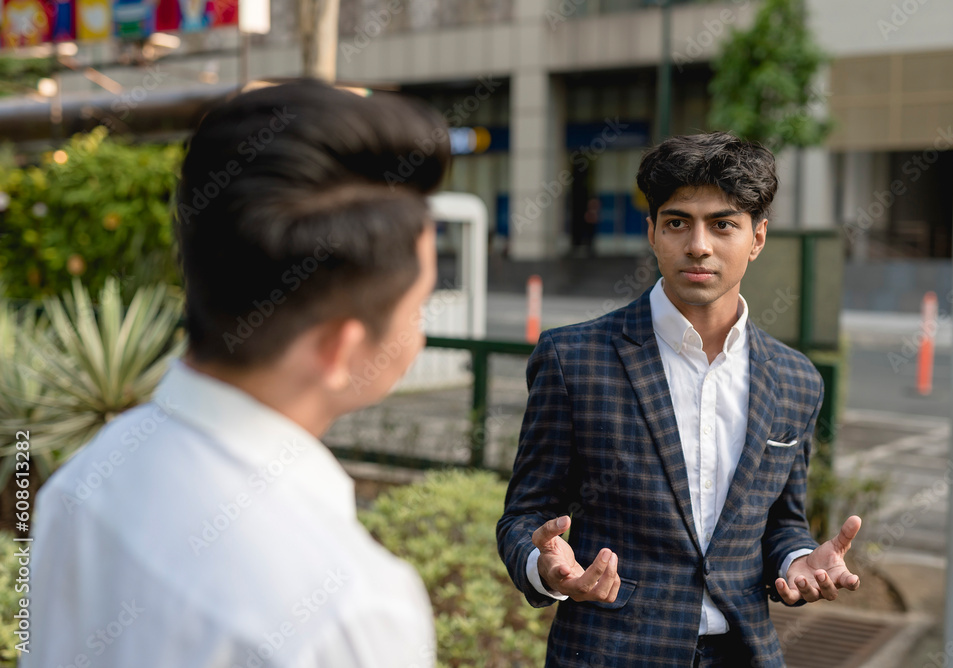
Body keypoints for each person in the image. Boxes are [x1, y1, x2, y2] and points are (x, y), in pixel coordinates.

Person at [26, 79, 450, 667]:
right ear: (340, 349)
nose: (419, 334)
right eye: (418, 307)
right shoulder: (354, 612)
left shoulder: (80, 482)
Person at [497, 132, 863, 667]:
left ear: (757, 238)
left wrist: (798, 559)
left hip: (745, 653)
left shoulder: (795, 379)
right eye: (677, 223)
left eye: (723, 224)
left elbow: (782, 523)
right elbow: (525, 513)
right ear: (652, 232)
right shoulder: (572, 359)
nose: (698, 245)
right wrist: (545, 567)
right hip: (610, 653)